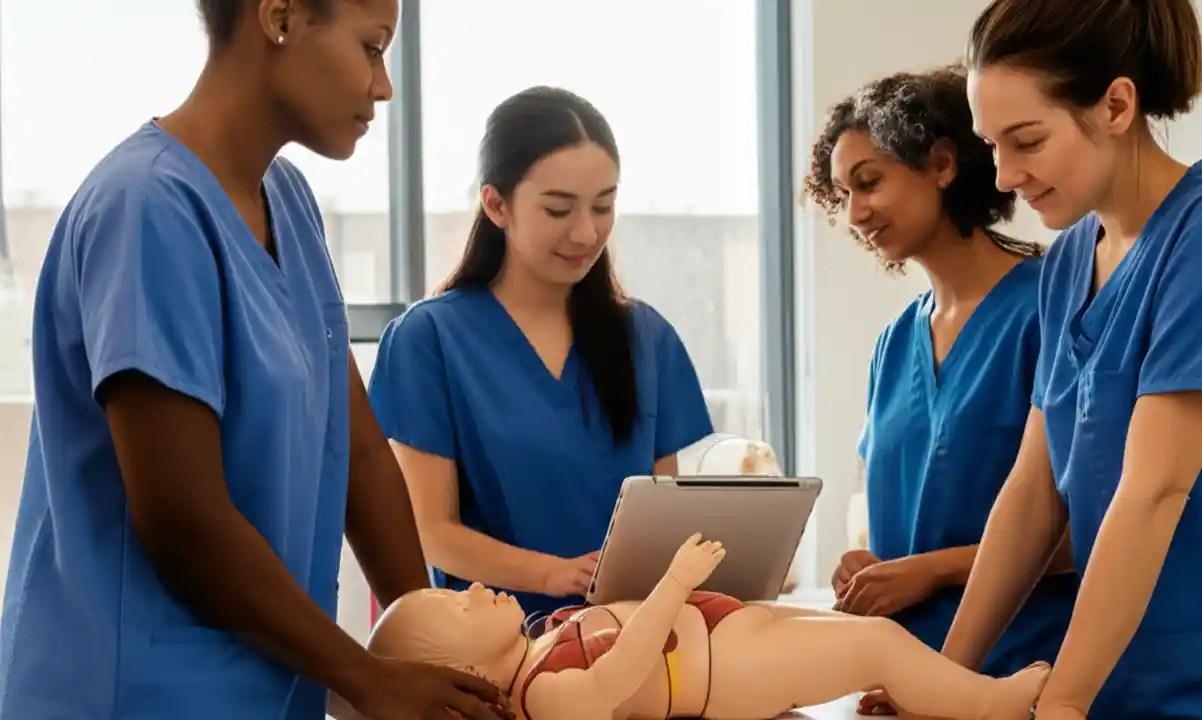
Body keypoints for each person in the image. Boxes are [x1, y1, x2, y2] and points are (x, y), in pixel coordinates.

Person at [0, 2, 510, 718]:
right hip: (128, 695)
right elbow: (182, 517)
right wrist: (367, 679)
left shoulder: (290, 205)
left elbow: (359, 451)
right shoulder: (148, 207)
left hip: (258, 690)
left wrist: (436, 647)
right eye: (371, 47)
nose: (384, 86)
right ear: (281, 16)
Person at [945, 0, 1202, 717]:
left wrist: (1060, 703)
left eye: (1026, 141)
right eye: (991, 145)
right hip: (1114, 683)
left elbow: (1154, 490)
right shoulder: (1068, 260)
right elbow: (1034, 491)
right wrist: (942, 680)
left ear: (1117, 104)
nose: (1003, 176)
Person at [367, 86, 715, 622]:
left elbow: (660, 526)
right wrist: (553, 574)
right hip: (500, 650)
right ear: (496, 204)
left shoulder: (646, 338)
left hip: (635, 644)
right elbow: (432, 533)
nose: (586, 232)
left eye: (604, 206)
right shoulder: (429, 339)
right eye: (558, 209)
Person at [803, 65, 1078, 712]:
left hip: (1025, 676)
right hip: (907, 685)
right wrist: (868, 566)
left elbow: (1089, 532)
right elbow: (884, 513)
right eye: (842, 194)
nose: (856, 212)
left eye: (869, 183)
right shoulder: (894, 345)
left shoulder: (1052, 309)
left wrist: (929, 572)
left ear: (943, 164)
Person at [328, 534, 1051, 720]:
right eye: (457, 607)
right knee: (877, 644)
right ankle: (995, 703)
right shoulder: (545, 698)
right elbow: (618, 675)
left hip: (725, 632)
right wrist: (673, 584)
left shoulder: (540, 642)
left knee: (855, 642)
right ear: (472, 677)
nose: (474, 590)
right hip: (721, 672)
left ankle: (947, 694)